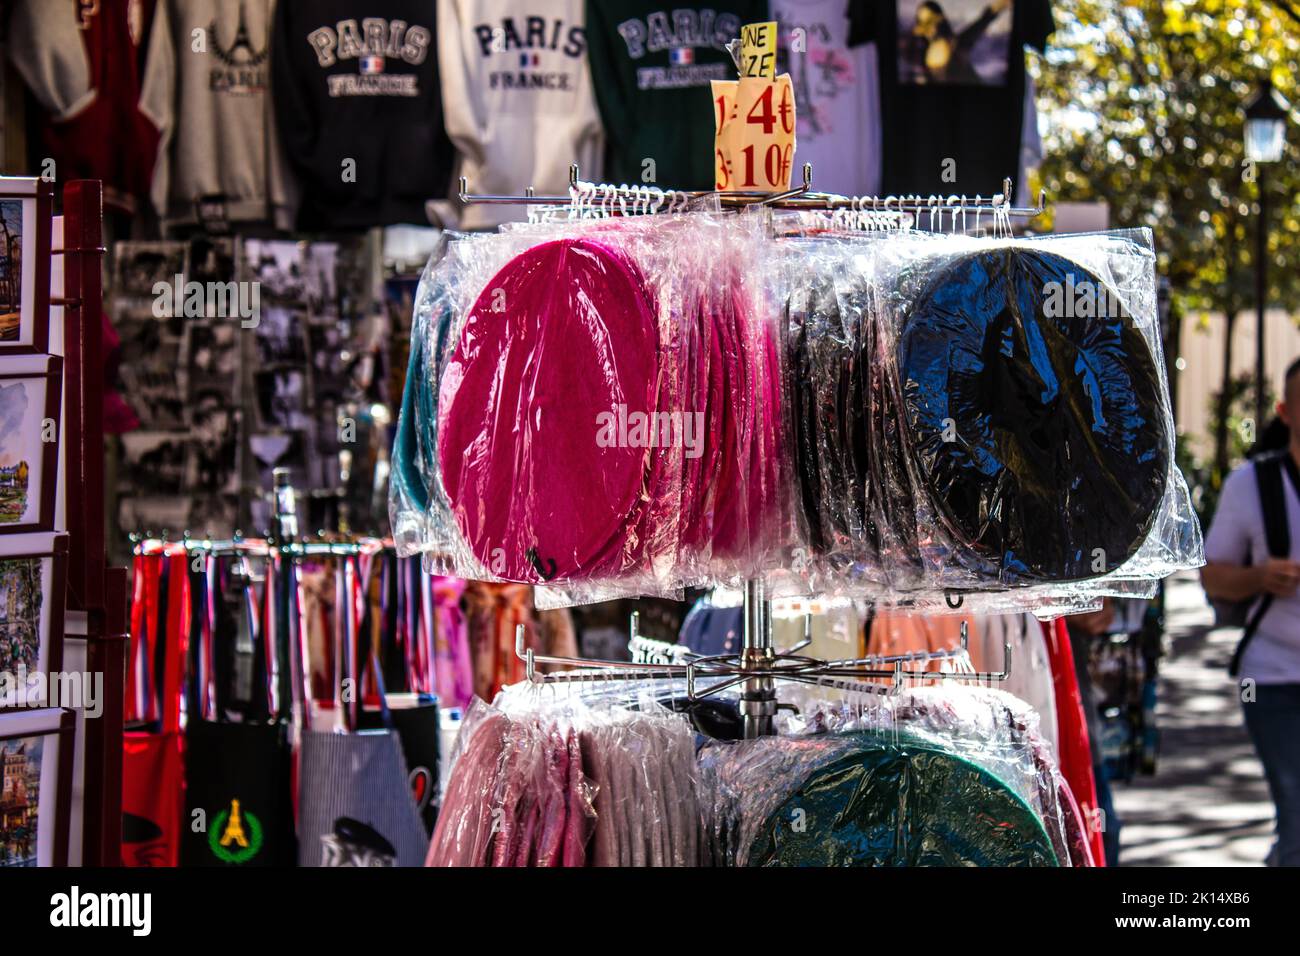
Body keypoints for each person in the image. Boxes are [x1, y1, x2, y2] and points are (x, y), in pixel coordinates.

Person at [1202, 355, 1300, 866]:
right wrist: (1260, 577)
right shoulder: (1252, 485)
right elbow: (1212, 577)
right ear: (1285, 411)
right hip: (1273, 678)